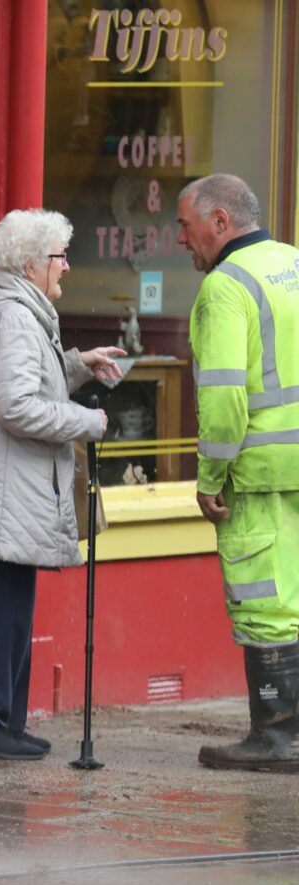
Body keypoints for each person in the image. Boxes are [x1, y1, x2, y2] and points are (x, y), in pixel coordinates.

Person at [0, 209, 125, 760]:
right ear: (33, 264)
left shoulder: (10, 311)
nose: (66, 267)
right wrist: (89, 422)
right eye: (60, 257)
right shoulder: (13, 317)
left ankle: (4, 723)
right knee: (2, 609)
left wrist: (77, 365)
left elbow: (23, 379)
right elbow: (16, 405)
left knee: (10, 606)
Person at [176, 173, 299, 772]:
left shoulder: (227, 287)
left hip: (261, 470)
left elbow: (224, 398)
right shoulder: (293, 265)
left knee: (265, 601)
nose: (181, 238)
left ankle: (276, 738)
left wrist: (210, 475)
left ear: (220, 222)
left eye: (185, 224)